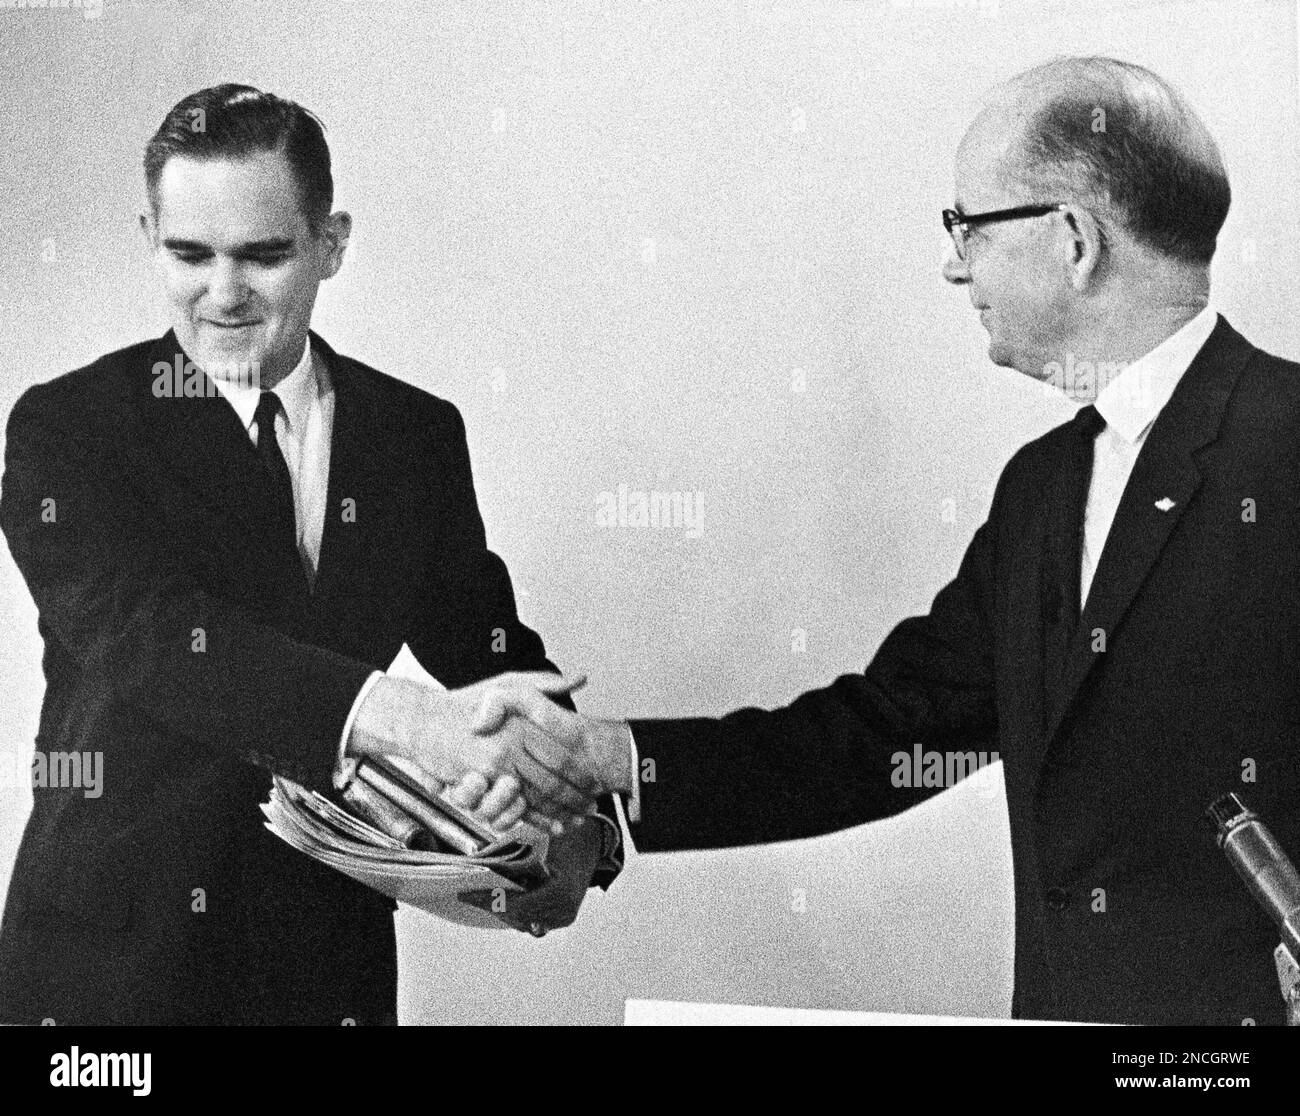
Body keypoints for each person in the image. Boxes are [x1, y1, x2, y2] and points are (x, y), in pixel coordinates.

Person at [485, 56, 1300, 1025]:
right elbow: (884, 739)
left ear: (1073, 240)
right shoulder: (1043, 488)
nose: (954, 264)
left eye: (969, 226)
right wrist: (607, 759)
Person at [0, 84, 619, 1026]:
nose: (222, 293)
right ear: (147, 238)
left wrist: (569, 822)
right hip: (109, 981)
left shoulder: (412, 435)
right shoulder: (67, 428)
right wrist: (411, 722)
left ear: (332, 244)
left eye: (263, 255)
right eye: (187, 254)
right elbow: (159, 640)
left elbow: (490, 650)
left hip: (326, 973)